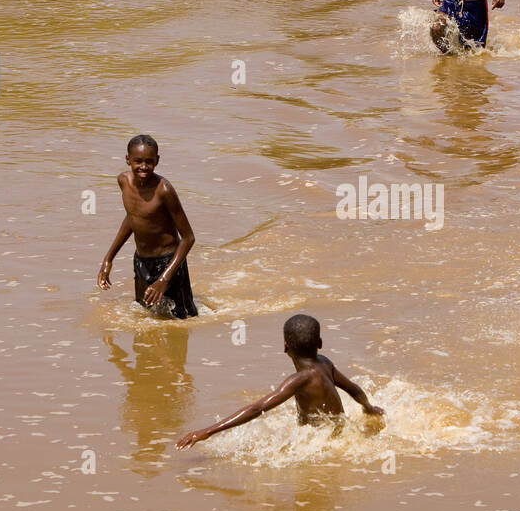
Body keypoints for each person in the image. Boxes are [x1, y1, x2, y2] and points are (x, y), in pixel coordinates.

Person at [176, 314, 384, 449]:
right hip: (338, 436)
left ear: (285, 347)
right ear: (320, 343)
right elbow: (354, 390)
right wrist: (369, 408)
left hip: (321, 445)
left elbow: (257, 409)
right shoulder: (325, 363)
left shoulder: (299, 379)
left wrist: (208, 431)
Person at [96, 134, 198, 318]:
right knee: (145, 319)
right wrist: (108, 259)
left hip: (169, 264)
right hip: (141, 262)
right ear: (128, 160)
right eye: (138, 161)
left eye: (149, 161)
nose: (143, 166)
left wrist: (163, 279)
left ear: (157, 161)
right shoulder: (123, 182)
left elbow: (188, 238)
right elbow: (133, 218)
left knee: (180, 322)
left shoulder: (164, 190)